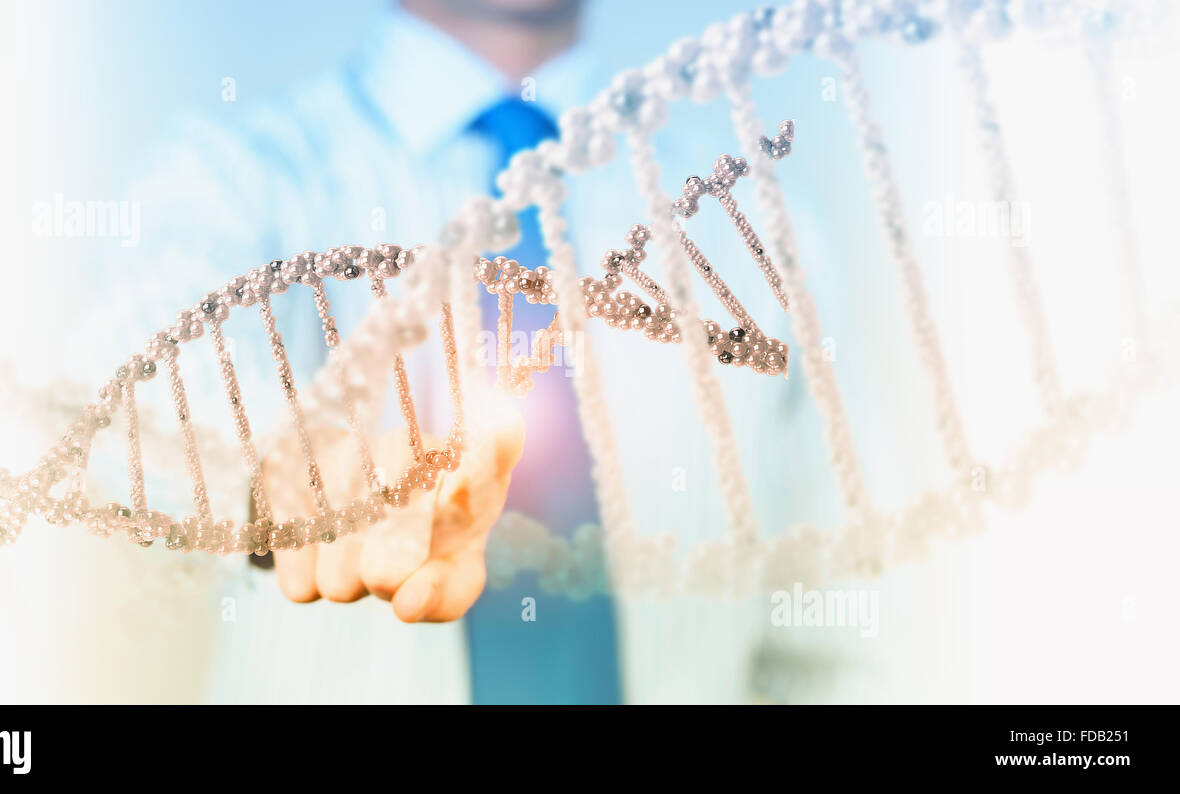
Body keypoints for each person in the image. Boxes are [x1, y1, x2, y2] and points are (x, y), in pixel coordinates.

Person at [127, 0, 811, 703]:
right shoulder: (232, 174)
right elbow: (135, 388)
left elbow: (833, 643)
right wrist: (281, 463)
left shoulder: (757, 217)